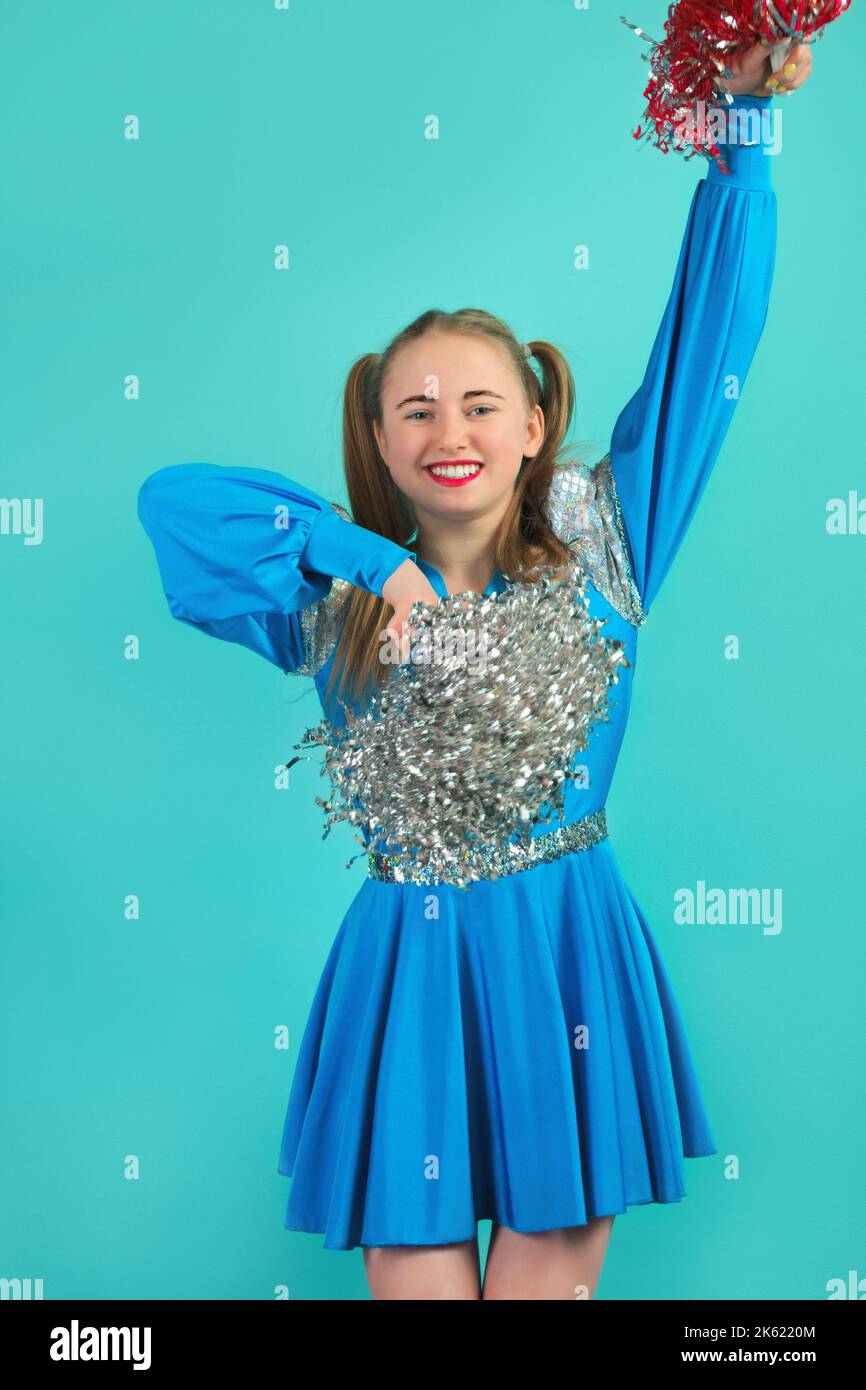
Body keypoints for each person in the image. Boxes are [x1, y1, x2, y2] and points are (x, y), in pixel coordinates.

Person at [137, 42, 813, 1300]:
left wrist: (745, 132)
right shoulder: (323, 600)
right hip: (411, 958)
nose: (450, 431)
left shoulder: (611, 536)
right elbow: (169, 504)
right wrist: (364, 564)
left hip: (566, 942)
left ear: (535, 422)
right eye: (415, 409)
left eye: (480, 403)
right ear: (379, 442)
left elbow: (713, 341)